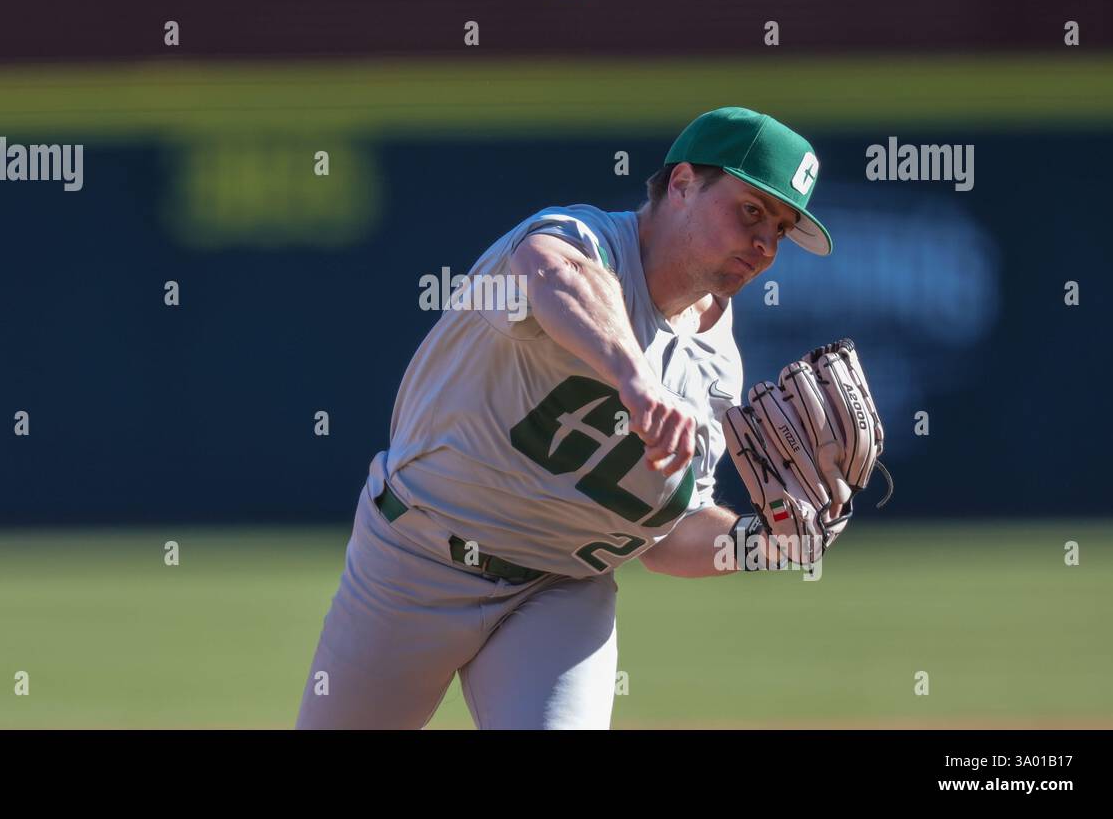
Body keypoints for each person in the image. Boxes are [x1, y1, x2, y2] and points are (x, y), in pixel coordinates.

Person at [296, 106, 833, 729]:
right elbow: (550, 270)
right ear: (682, 184)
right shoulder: (582, 238)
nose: (766, 243)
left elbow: (665, 535)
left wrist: (764, 542)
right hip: (414, 558)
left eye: (782, 227)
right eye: (751, 210)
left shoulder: (716, 370)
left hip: (559, 591)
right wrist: (634, 379)